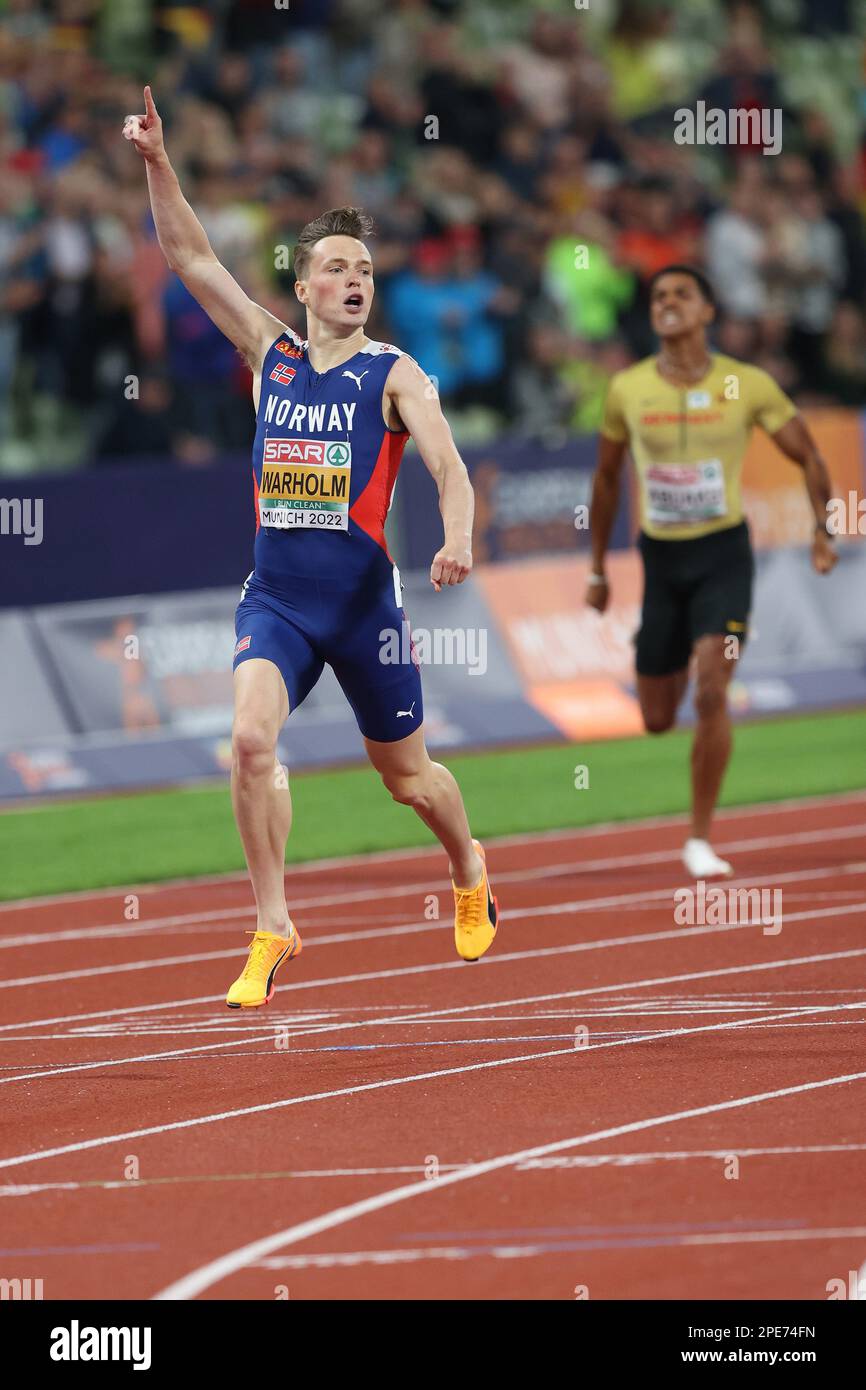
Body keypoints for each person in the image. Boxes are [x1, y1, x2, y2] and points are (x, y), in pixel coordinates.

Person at [124, 87, 499, 1006]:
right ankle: (273, 924)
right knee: (251, 742)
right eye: (335, 267)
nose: (354, 279)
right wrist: (158, 162)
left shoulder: (396, 375)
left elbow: (449, 468)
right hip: (281, 599)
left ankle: (468, 865)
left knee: (407, 779)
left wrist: (456, 540)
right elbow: (190, 256)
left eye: (364, 267)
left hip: (364, 608)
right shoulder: (270, 351)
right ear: (302, 286)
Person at [587, 264, 837, 878]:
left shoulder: (744, 384)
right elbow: (606, 478)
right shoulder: (627, 388)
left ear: (707, 312)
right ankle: (656, 647)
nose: (667, 303)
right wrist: (596, 567)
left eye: (681, 294)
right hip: (661, 557)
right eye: (659, 296)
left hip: (724, 554)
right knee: (655, 718)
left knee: (712, 684)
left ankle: (698, 837)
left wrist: (823, 531)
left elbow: (807, 454)